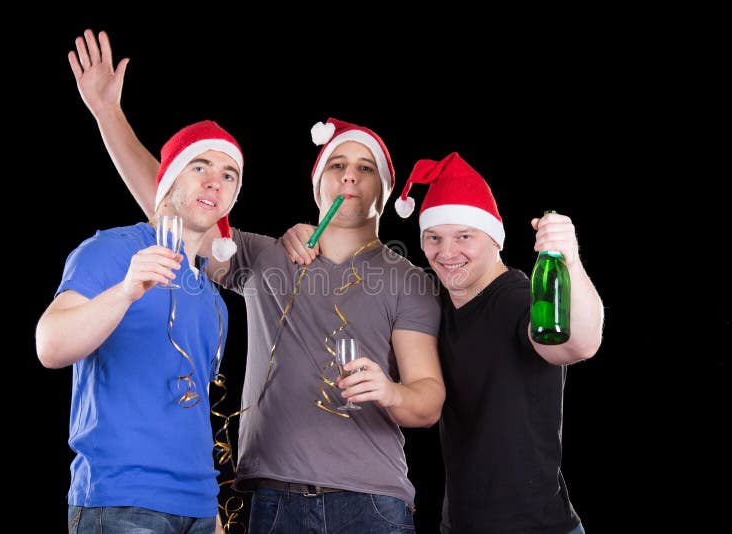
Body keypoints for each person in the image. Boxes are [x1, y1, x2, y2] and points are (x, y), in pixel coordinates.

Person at [67, 29, 446, 533]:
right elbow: (177, 207)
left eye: (365, 168)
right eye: (337, 164)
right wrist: (108, 114)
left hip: (373, 503)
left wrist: (390, 392)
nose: (350, 176)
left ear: (386, 190)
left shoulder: (409, 280)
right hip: (272, 500)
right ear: (318, 183)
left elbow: (428, 400)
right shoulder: (266, 256)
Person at [35, 118, 245, 533]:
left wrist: (213, 513)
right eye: (199, 167)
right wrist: (126, 291)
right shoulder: (113, 251)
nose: (214, 182)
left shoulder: (213, 300)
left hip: (200, 509)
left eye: (228, 175)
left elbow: (193, 408)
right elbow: (50, 345)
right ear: (169, 179)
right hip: (122, 501)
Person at [393, 152, 604, 533]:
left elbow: (578, 345)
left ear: (494, 238)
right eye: (434, 238)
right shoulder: (434, 305)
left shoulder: (518, 300)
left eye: (464, 236)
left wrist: (570, 262)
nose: (447, 253)